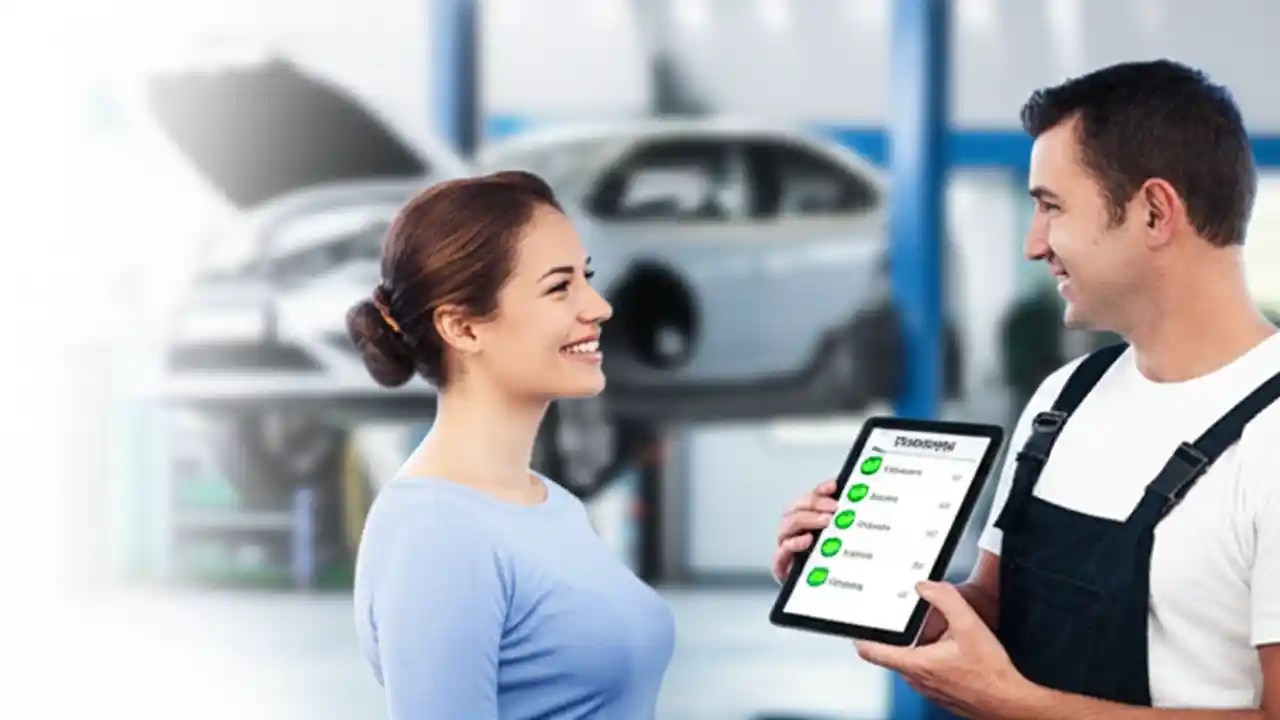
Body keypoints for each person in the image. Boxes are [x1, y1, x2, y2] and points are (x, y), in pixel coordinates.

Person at [774, 59, 1280, 716]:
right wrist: (859, 582)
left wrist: (1017, 706)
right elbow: (991, 611)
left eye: (1051, 207)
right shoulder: (1066, 397)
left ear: (1155, 212)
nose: (1033, 245)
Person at [349, 171, 675, 718]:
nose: (599, 307)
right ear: (462, 328)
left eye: (587, 278)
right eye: (559, 287)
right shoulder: (437, 533)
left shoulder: (552, 505)